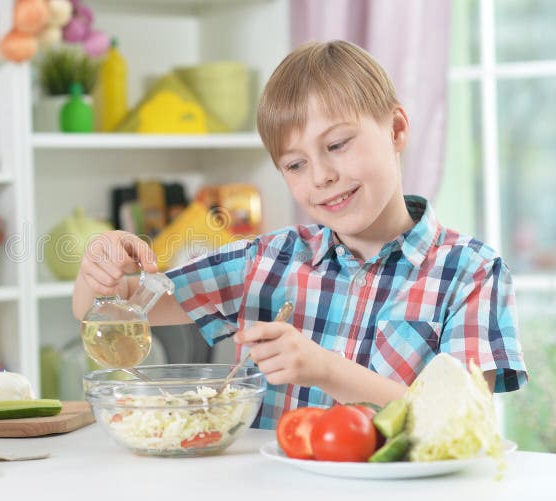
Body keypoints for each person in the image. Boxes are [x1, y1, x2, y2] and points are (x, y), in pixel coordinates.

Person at [72, 40, 527, 429]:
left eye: (337, 145)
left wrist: (326, 371)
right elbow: (104, 312)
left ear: (397, 129)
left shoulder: (471, 272)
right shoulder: (267, 261)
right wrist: (102, 263)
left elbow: (464, 422)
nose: (322, 176)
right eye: (295, 164)